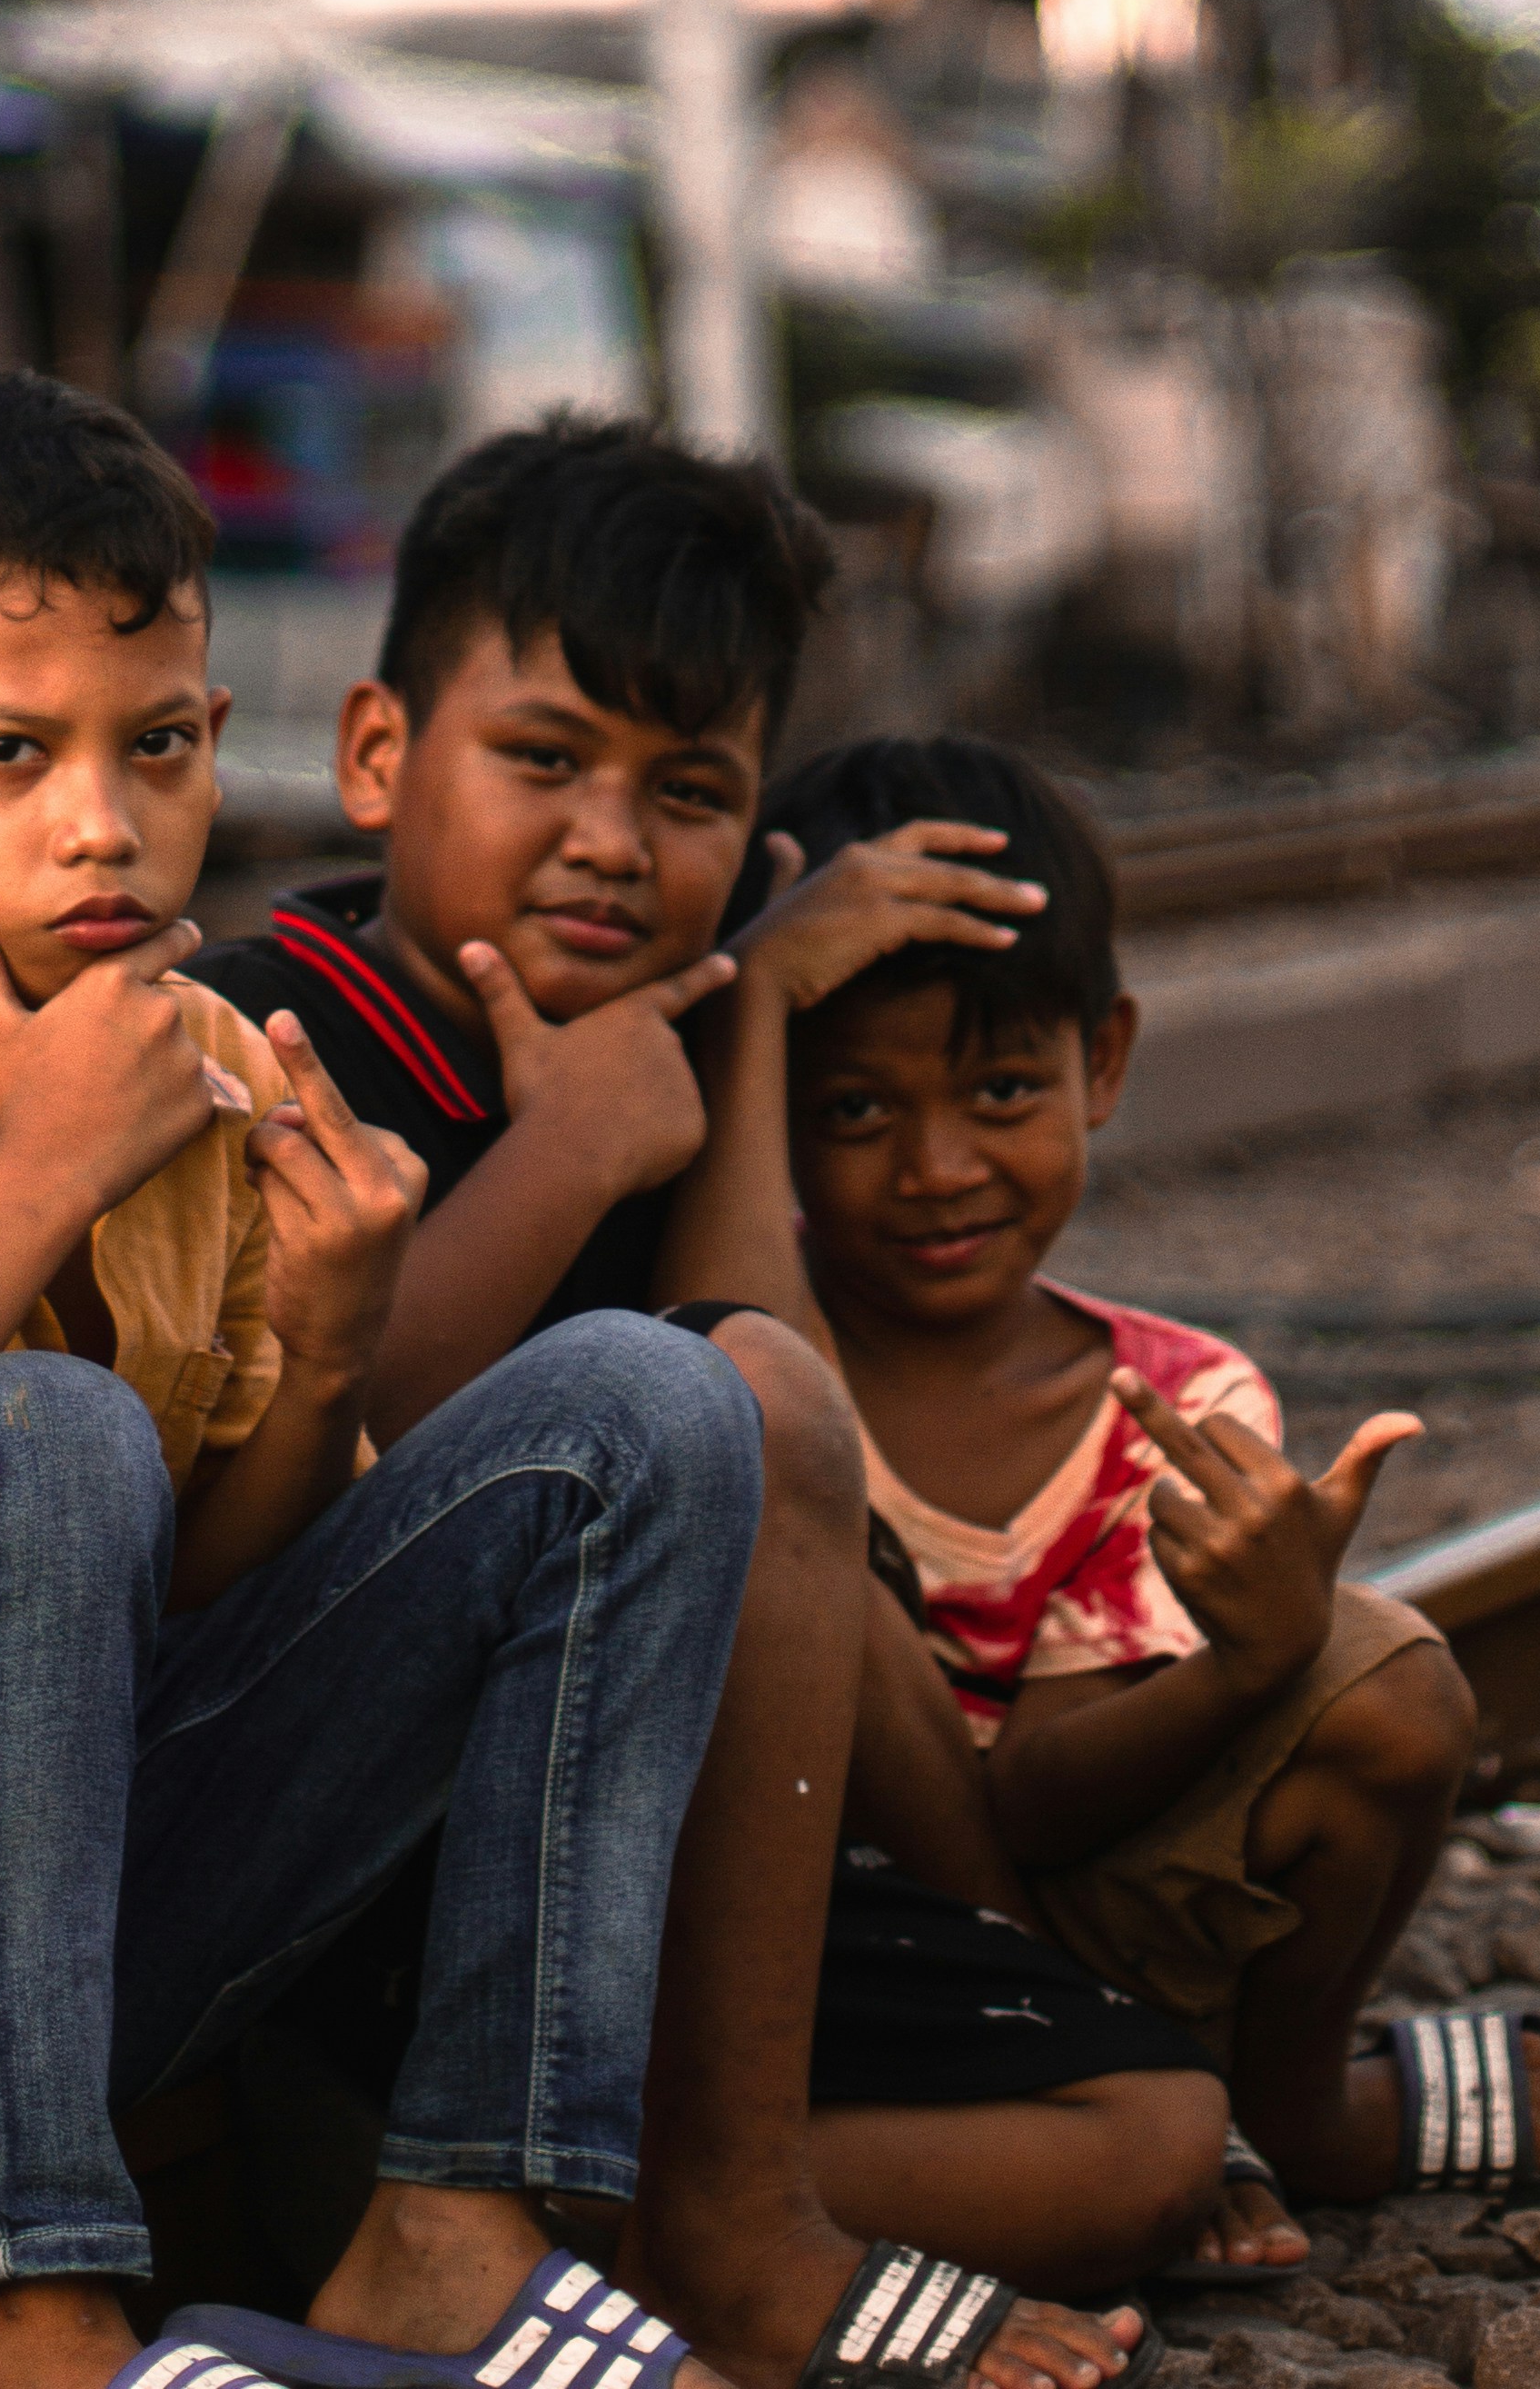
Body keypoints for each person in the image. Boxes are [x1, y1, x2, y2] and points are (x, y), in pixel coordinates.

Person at [0, 374, 1151, 2389]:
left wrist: (331, 1355)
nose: (101, 819)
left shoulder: (204, 1077)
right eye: (8, 753)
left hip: (96, 1914)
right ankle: (32, 2316)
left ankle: (454, 2230)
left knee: (652, 1404)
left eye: (162, 743)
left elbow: (202, 1607)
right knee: (40, 1431)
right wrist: (38, 1180)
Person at [196, 422, 1227, 2308]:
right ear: (375, 757)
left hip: (651, 1873)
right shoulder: (262, 1036)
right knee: (726, 1397)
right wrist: (567, 1153)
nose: (607, 842)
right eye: (541, 761)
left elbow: (792, 1464)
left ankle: (630, 2214)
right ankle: (693, 2225)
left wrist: (741, 1022)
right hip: (357, 1895)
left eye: (683, 792)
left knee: (1153, 2142)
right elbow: (302, 1479)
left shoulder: (659, 1045)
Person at [659, 729, 1540, 2275]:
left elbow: (1042, 1794)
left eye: (1001, 1089)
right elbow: (732, 1358)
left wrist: (1258, 1661)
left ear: (1103, 1063)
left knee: (1390, 1683)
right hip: (826, 1945)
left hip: (1084, 1913)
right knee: (795, 1495)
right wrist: (758, 1005)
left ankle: (1290, 2102)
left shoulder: (1171, 1407)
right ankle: (1152, 2111)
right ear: (775, 1107)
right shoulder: (772, 1350)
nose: (937, 1167)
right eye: (854, 1111)